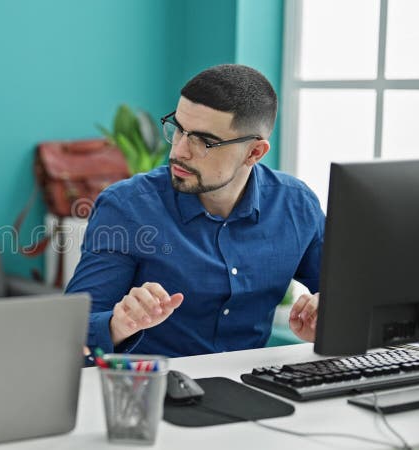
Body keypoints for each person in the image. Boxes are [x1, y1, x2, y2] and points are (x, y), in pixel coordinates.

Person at [65, 64, 323, 357]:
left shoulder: (296, 205)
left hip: (249, 389)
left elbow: (350, 300)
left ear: (254, 152)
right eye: (179, 130)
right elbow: (72, 331)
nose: (179, 150)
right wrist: (119, 324)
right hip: (153, 390)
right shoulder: (127, 207)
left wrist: (326, 317)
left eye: (204, 141)